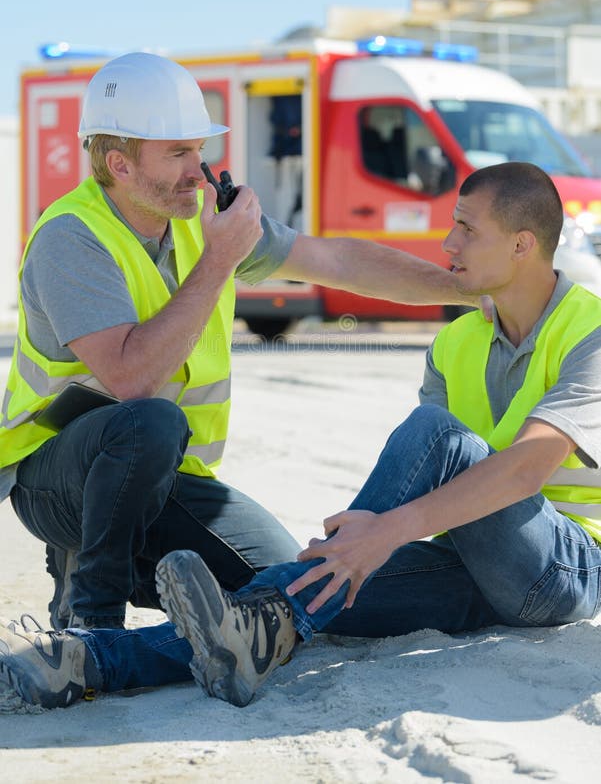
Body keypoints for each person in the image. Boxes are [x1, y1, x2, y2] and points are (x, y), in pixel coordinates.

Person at [2, 161, 601, 711]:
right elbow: (433, 486)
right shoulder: (453, 343)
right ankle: (94, 661)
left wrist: (382, 534)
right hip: (470, 566)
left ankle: (269, 615)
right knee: (304, 592)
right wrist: (352, 556)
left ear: (522, 244)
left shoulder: (590, 330)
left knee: (432, 438)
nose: (448, 244)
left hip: (562, 569)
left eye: (467, 229)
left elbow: (526, 467)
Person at [0, 51, 472, 633]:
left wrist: (465, 289)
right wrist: (221, 258)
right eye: (178, 153)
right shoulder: (71, 236)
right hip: (57, 481)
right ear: (118, 164)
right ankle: (92, 622)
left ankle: (150, 573)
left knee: (290, 584)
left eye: (199, 149)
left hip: (170, 478)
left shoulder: (200, 217)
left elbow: (336, 261)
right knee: (149, 421)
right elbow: (131, 380)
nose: (199, 171)